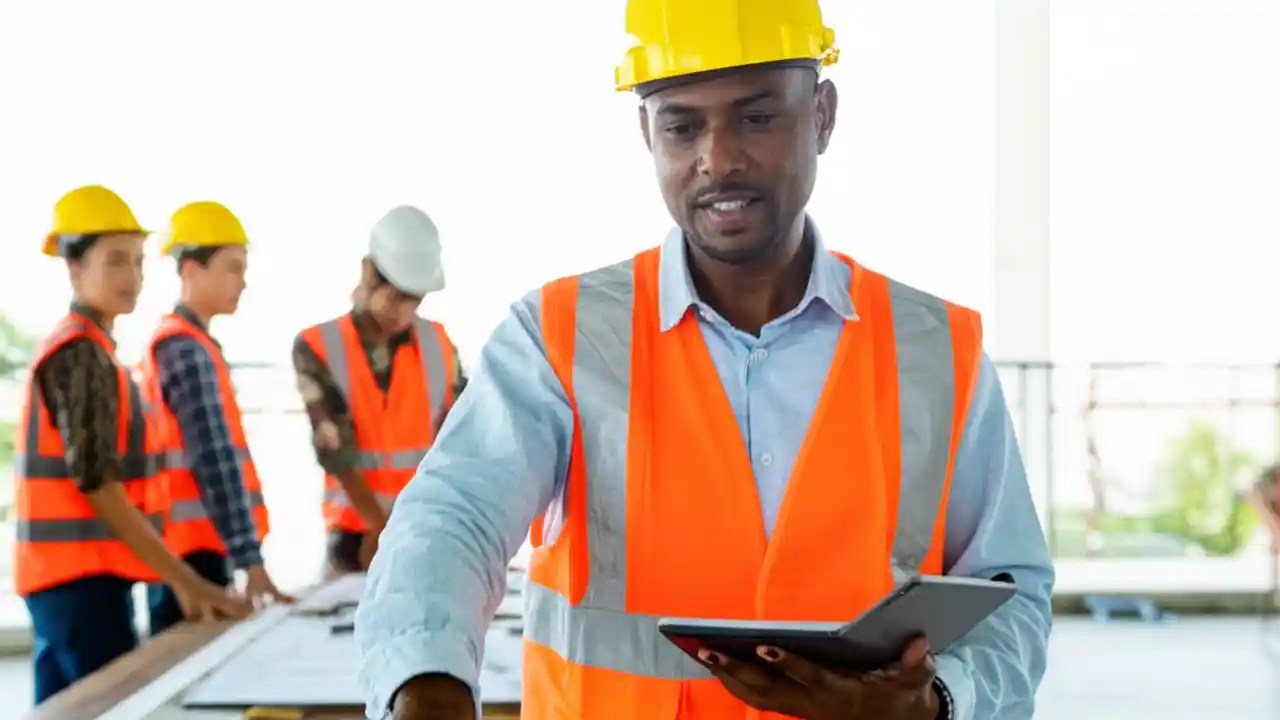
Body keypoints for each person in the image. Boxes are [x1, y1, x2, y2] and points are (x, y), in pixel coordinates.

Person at [356, 2, 1056, 719]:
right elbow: (451, 520)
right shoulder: (561, 338)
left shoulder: (938, 348)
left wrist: (936, 703)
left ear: (821, 115)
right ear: (646, 133)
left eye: (757, 118)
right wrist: (425, 680)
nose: (717, 158)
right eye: (682, 125)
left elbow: (1009, 592)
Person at [14, 186, 251, 705]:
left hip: (68, 581)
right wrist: (190, 582)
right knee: (115, 705)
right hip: (82, 582)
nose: (132, 277)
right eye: (115, 260)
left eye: (139, 262)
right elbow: (101, 486)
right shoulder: (82, 356)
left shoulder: (92, 350)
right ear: (73, 269)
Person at [137, 200, 293, 637]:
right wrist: (251, 561)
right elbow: (214, 459)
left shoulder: (187, 344)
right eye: (231, 267)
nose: (242, 282)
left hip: (190, 549)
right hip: (194, 556)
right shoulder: (185, 350)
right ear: (190, 270)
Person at [292, 205, 465, 576]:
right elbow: (335, 449)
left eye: (414, 299)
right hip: (356, 537)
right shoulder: (319, 346)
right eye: (397, 295)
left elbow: (462, 442)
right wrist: (380, 528)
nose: (403, 311)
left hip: (424, 531)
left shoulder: (439, 346)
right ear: (369, 273)